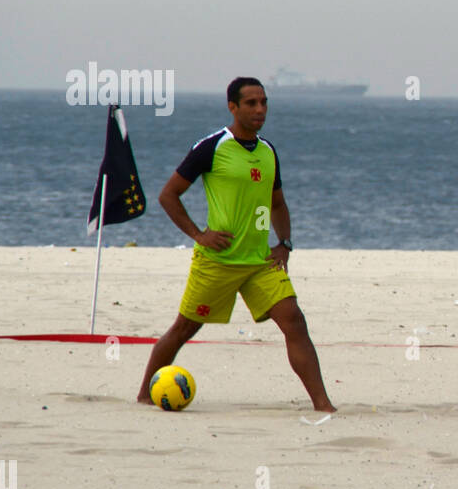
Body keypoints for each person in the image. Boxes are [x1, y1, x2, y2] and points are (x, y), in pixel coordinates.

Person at [136, 77, 336, 413]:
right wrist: (199, 235)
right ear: (233, 107)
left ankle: (323, 405)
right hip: (218, 261)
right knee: (185, 327)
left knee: (294, 320)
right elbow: (168, 195)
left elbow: (278, 204)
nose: (260, 109)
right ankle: (145, 393)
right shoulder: (212, 147)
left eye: (264, 102)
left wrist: (284, 243)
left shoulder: (268, 151)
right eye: (251, 103)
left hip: (260, 262)